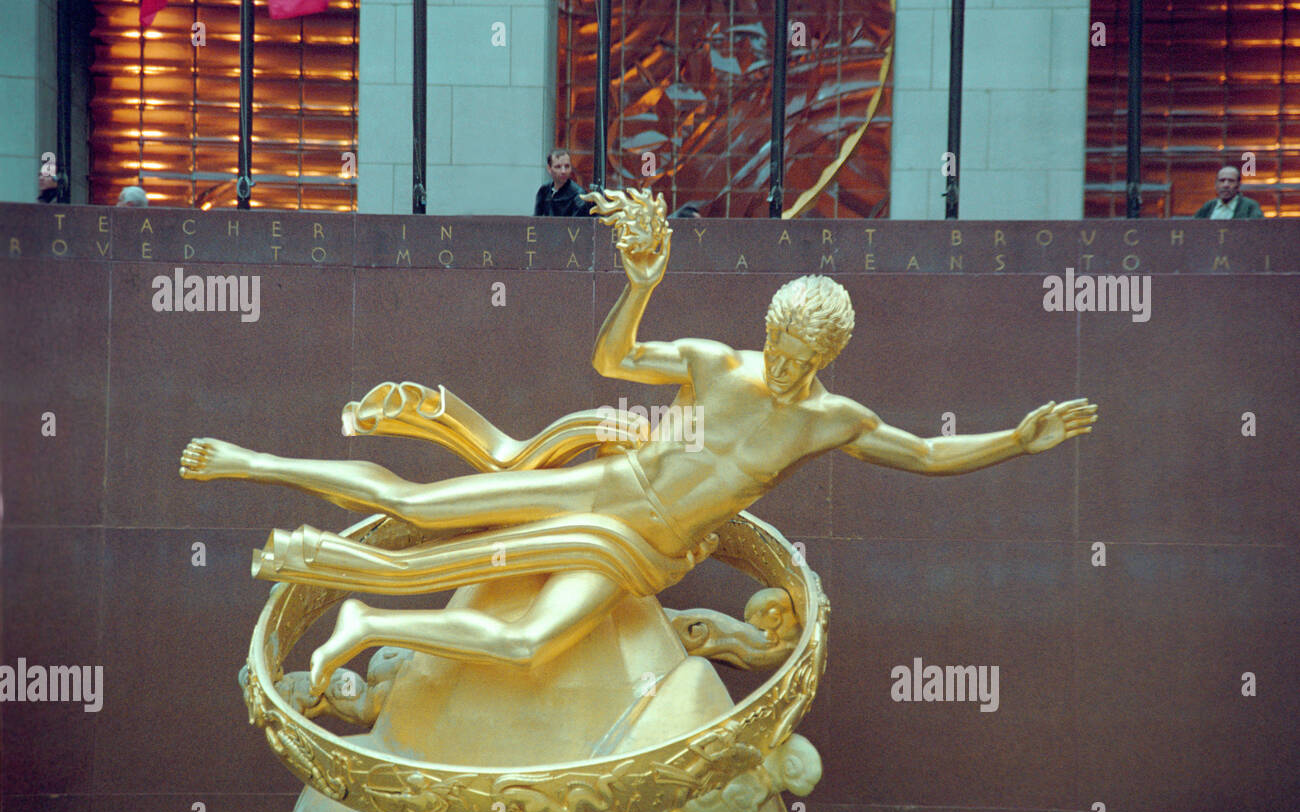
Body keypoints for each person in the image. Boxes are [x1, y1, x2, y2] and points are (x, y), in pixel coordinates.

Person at [180, 189, 1097, 694]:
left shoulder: (830, 422)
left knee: (530, 644)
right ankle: (253, 461)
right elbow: (612, 354)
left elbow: (927, 455)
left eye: (802, 356)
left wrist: (1017, 439)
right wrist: (643, 281)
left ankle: (368, 621)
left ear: (830, 356)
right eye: (777, 344)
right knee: (415, 503)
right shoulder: (712, 364)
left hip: (641, 552)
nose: (781, 366)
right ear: (767, 331)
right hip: (600, 492)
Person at [533, 148, 591, 217]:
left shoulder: (579, 195)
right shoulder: (544, 191)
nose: (563, 171)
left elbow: (577, 225)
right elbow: (536, 220)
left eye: (567, 166)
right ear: (549, 169)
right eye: (558, 167)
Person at [1193, 166, 1263, 219]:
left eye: (1231, 181)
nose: (1225, 185)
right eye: (1222, 180)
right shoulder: (1208, 206)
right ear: (1216, 185)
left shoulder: (1250, 206)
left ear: (1238, 185)